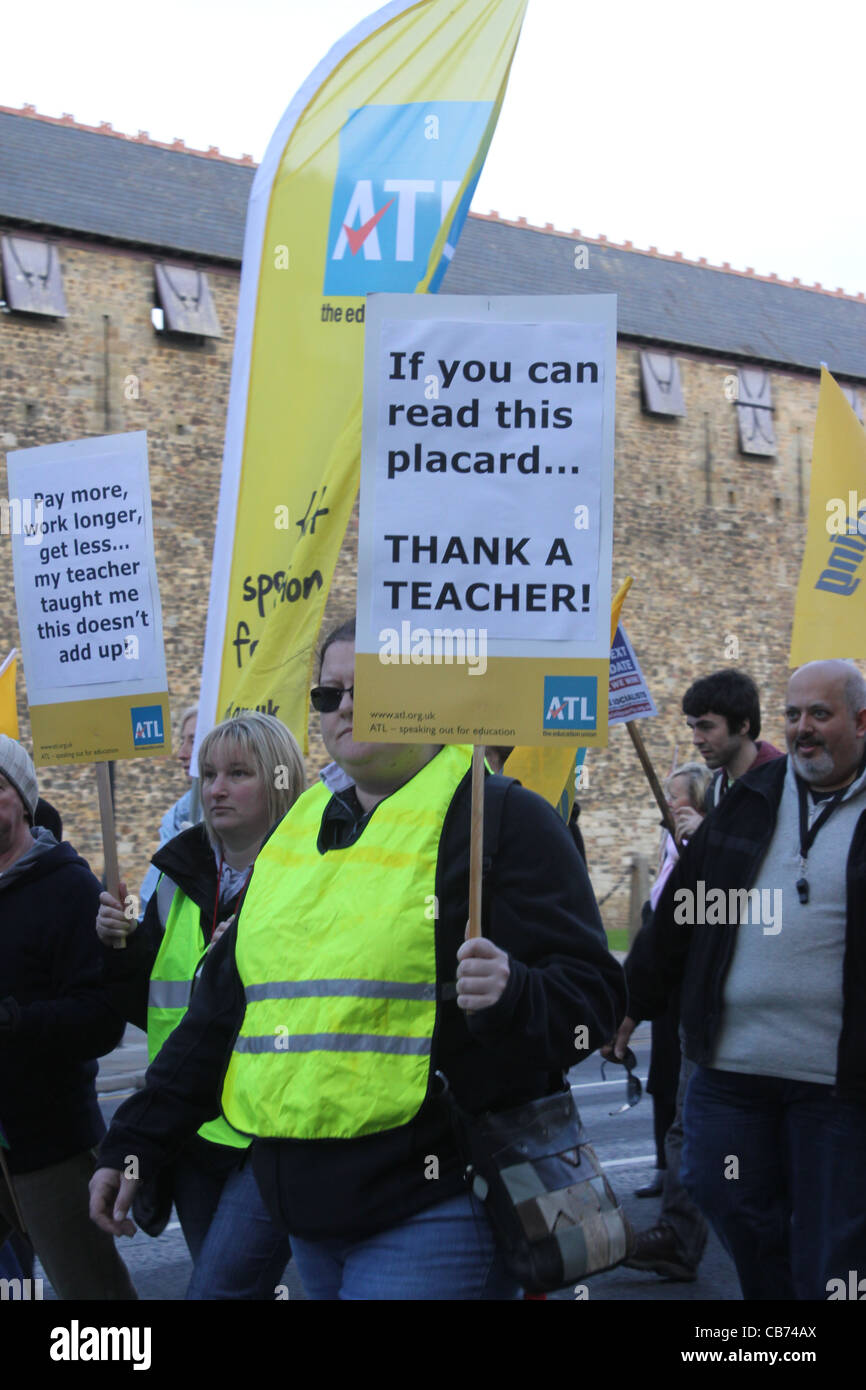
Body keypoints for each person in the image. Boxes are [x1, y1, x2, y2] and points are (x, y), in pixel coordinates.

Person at [90, 619, 625, 1301]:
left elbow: (594, 998)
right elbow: (222, 1016)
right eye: (327, 693)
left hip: (436, 1201)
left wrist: (515, 992)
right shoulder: (293, 838)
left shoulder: (503, 821)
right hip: (307, 1206)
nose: (343, 706)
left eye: (367, 687)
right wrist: (134, 1139)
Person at [617, 659, 866, 1300]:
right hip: (732, 1070)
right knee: (715, 1187)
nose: (802, 729)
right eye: (793, 714)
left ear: (862, 721)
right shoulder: (754, 799)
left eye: (820, 714)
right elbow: (683, 907)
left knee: (834, 1245)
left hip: (835, 1083)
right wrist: (633, 1000)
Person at [95, 712, 303, 1299]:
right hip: (194, 1132)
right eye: (208, 773)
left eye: (238, 773)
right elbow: (151, 1005)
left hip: (271, 1129)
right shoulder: (174, 874)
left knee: (218, 1290)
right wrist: (118, 948)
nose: (215, 788)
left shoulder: (312, 871)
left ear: (279, 781)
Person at [0, 734, 135, 1299]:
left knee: (93, 1298)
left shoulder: (68, 886)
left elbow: (101, 1019)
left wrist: (11, 1023)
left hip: (46, 1143)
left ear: (23, 800)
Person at [633, 762, 710, 1202]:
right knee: (662, 1076)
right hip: (664, 979)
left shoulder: (703, 841)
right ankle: (664, 1168)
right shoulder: (670, 843)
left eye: (675, 795)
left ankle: (689, 1183)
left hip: (688, 979)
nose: (668, 802)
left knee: (686, 1080)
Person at [677, 669, 783, 837]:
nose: (696, 740)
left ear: (742, 726)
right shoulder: (716, 787)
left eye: (706, 727)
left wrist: (707, 832)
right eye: (693, 728)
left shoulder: (783, 782)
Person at [138, 705, 198, 919]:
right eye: (184, 740)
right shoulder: (178, 817)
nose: (182, 754)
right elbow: (151, 896)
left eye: (193, 740)